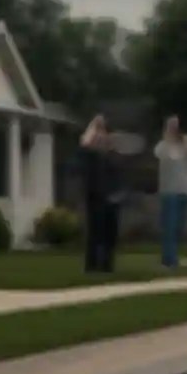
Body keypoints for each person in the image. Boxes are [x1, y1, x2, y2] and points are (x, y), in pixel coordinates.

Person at [153, 117, 187, 268]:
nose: (174, 129)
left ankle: (170, 256)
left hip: (184, 190)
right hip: (169, 191)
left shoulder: (185, 147)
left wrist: (186, 143)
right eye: (171, 126)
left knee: (178, 226)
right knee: (169, 226)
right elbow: (160, 154)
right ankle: (170, 259)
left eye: (176, 126)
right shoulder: (162, 146)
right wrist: (168, 139)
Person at [80, 115, 118, 273]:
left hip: (112, 197)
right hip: (95, 196)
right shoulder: (90, 155)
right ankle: (92, 265)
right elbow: (84, 142)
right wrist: (94, 124)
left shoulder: (112, 155)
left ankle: (106, 265)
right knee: (95, 232)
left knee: (110, 233)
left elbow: (119, 176)